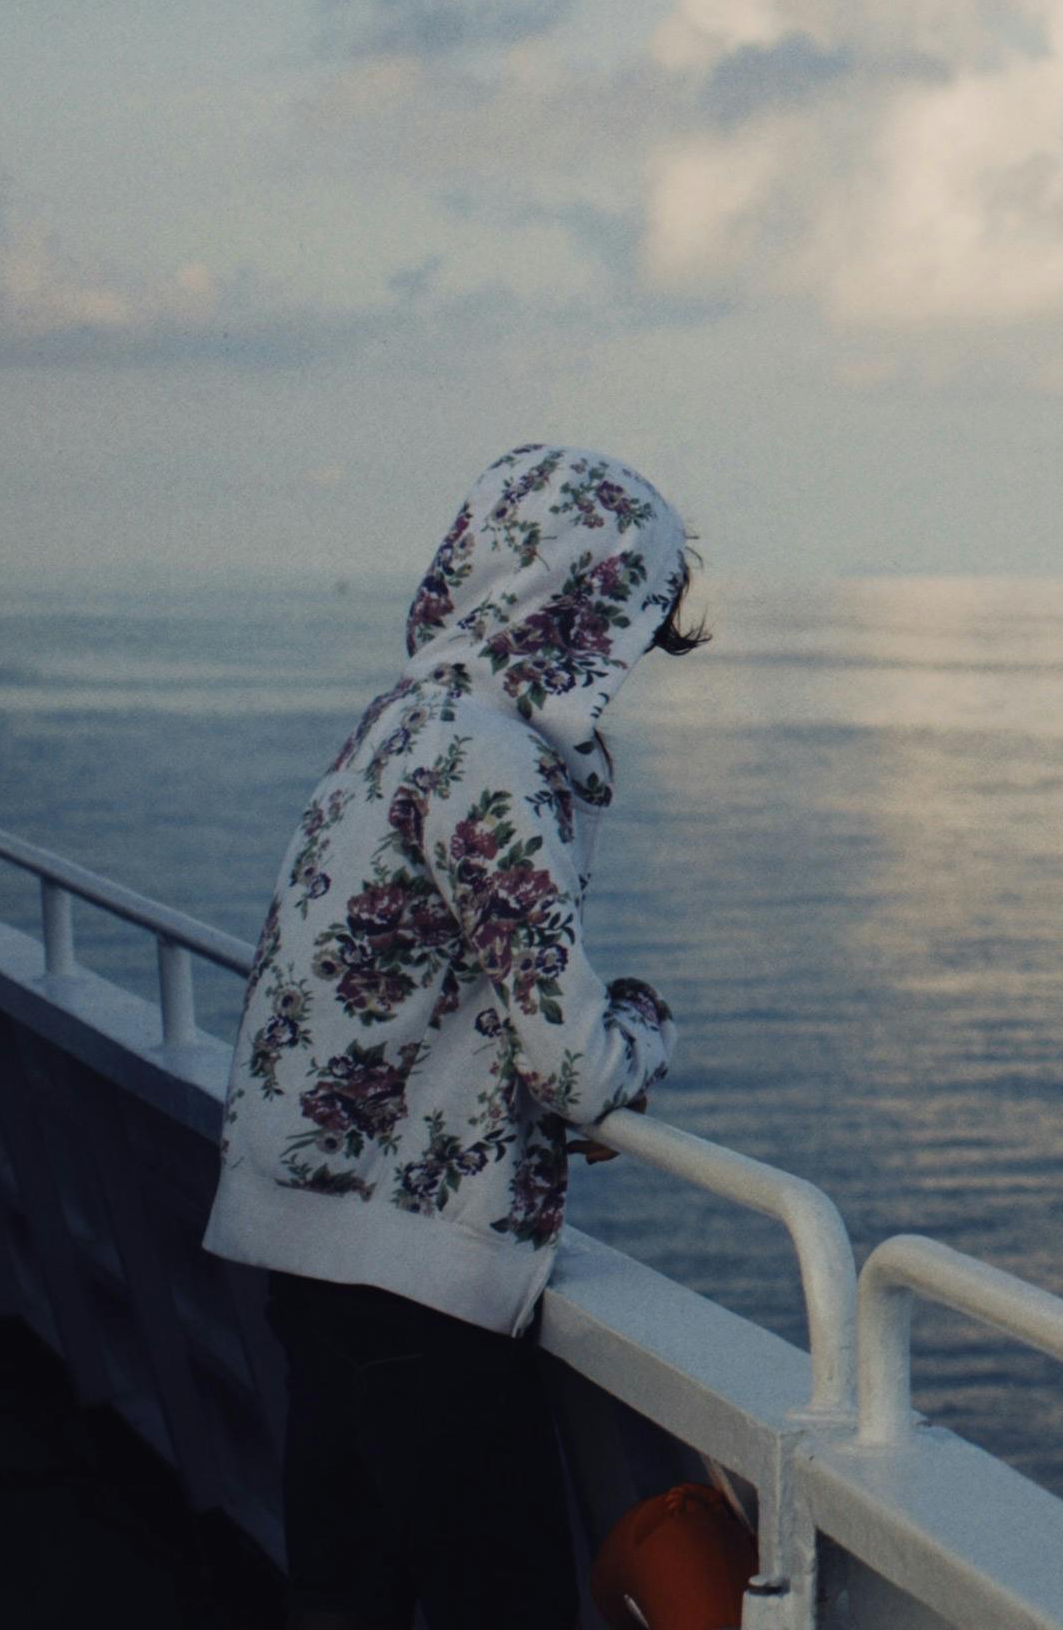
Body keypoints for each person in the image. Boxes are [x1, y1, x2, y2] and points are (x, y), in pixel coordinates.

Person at [203, 443, 708, 1630]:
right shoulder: (494, 761)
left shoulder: (403, 720)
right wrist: (650, 1024)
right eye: (633, 627)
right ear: (582, 611)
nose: (630, 665)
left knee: (345, 1598)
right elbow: (578, 1069)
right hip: (414, 1280)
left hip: (307, 1243)